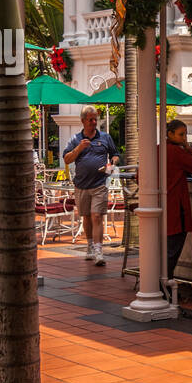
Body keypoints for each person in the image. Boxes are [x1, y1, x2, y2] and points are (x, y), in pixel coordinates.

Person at [63, 106, 120, 265]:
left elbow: (115, 155)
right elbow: (67, 159)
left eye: (95, 119)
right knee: (86, 217)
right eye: (91, 120)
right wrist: (79, 148)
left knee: (97, 216)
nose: (94, 122)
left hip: (100, 184)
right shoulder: (75, 139)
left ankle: (98, 251)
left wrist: (111, 165)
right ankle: (89, 246)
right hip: (81, 185)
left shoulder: (105, 137)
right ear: (83, 121)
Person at [166, 119, 192, 279]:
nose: (184, 138)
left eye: (185, 135)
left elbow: (140, 176)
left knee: (164, 251)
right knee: (171, 252)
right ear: (170, 134)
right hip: (176, 208)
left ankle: (160, 286)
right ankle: (164, 286)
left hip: (159, 207)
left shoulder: (156, 150)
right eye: (181, 134)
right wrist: (189, 149)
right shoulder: (177, 152)